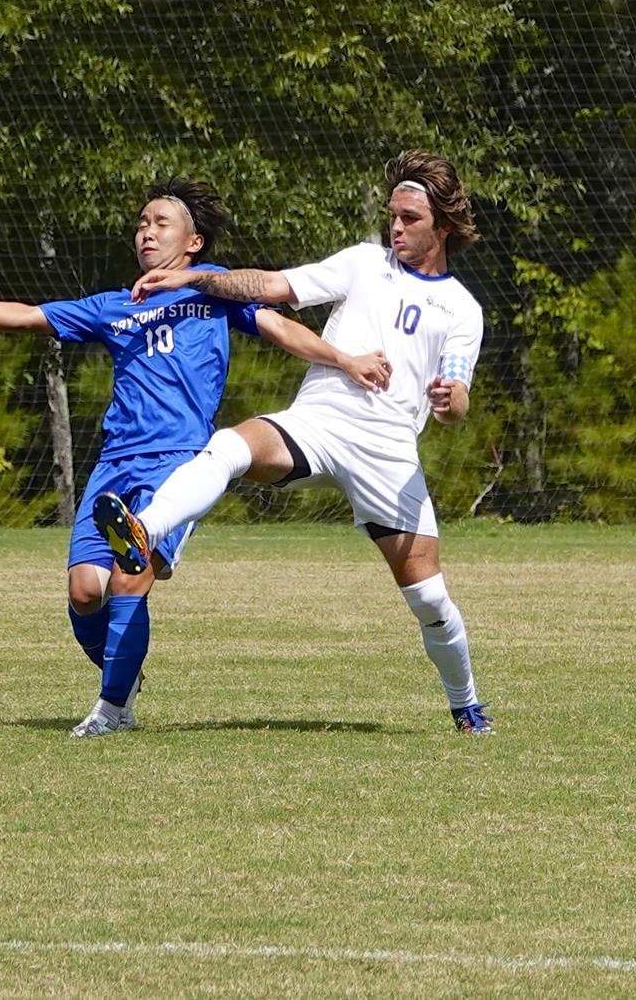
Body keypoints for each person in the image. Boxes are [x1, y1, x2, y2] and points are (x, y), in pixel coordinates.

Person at [0, 177, 391, 738]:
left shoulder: (214, 291)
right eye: (142, 223)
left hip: (181, 463)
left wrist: (345, 359)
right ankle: (124, 676)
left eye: (160, 223)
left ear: (193, 242)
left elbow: (282, 327)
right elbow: (28, 315)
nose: (147, 232)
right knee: (84, 591)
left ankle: (112, 710)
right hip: (116, 462)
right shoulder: (113, 307)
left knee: (128, 577)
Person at [91, 150, 495, 734]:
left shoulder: (462, 309)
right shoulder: (363, 263)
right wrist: (192, 276)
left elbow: (457, 400)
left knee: (429, 600)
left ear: (444, 227)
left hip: (388, 451)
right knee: (231, 446)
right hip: (321, 420)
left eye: (409, 218)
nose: (396, 227)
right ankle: (143, 530)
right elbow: (272, 285)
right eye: (393, 216)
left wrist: (446, 399)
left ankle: (466, 705)